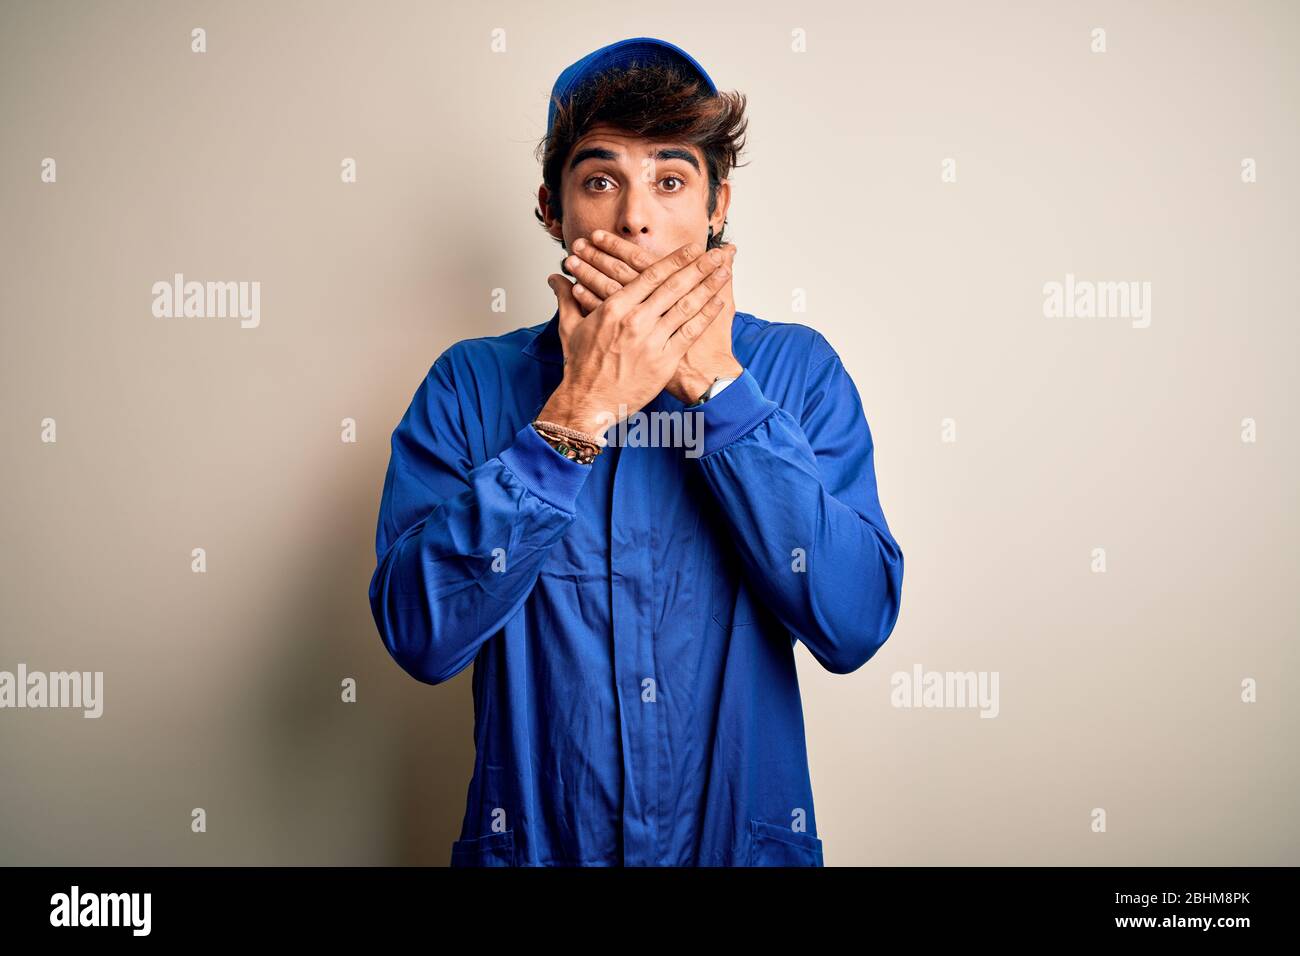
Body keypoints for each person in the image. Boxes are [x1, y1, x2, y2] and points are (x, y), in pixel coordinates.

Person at [367, 36, 904, 867]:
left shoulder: (798, 373)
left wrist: (718, 391)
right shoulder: (469, 386)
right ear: (552, 210)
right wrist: (578, 413)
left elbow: (855, 622)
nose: (636, 216)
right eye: (600, 179)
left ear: (718, 206)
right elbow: (420, 635)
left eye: (671, 178)